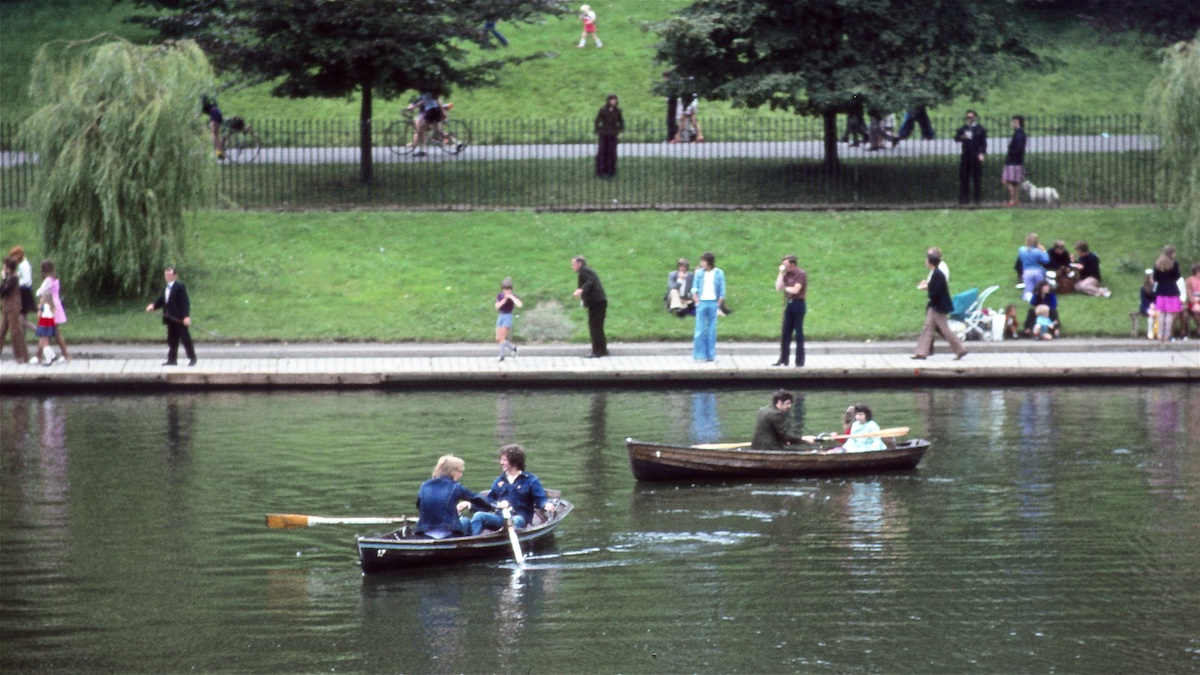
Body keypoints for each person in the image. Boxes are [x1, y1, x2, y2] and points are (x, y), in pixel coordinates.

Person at [469, 444, 556, 535]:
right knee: (479, 516)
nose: (501, 463)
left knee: (516, 520)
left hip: (520, 518)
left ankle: (511, 541)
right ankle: (473, 543)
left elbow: (540, 499)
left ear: (515, 461)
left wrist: (546, 505)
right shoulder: (499, 481)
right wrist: (472, 505)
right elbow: (489, 501)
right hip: (500, 518)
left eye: (504, 460)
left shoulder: (531, 480)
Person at [414, 455, 496, 539]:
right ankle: (473, 544)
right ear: (451, 471)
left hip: (424, 532)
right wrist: (493, 507)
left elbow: (419, 505)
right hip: (449, 533)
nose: (461, 475)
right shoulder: (455, 487)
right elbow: (476, 499)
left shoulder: (424, 486)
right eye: (459, 471)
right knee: (466, 521)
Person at [913, 250, 967, 360]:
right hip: (935, 305)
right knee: (928, 328)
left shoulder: (938, 274)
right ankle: (921, 352)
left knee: (945, 329)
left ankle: (960, 349)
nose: (925, 261)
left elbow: (936, 292)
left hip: (937, 307)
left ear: (931, 262)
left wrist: (928, 288)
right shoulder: (936, 273)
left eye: (927, 260)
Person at [145, 265, 197, 366]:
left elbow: (184, 302)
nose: (167, 277)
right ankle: (172, 360)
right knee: (172, 339)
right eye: (166, 275)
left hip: (179, 319)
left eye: (169, 275)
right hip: (170, 318)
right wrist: (153, 306)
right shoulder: (165, 288)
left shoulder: (180, 287)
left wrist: (186, 316)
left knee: (185, 339)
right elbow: (161, 301)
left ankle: (192, 358)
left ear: (175, 275)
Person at [772, 254, 807, 367]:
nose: (784, 266)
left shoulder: (800, 274)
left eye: (785, 264)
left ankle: (799, 361)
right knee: (785, 332)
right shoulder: (787, 274)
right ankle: (783, 359)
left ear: (792, 264)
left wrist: (786, 288)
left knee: (798, 333)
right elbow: (778, 287)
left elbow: (796, 290)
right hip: (790, 304)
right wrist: (780, 273)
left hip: (798, 304)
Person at [691, 251, 725, 362]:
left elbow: (722, 290)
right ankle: (700, 355)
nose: (701, 263)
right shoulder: (699, 273)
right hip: (702, 302)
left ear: (708, 262)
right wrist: (697, 300)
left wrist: (718, 303)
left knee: (711, 330)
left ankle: (711, 355)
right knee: (700, 329)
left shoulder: (719, 273)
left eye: (703, 261)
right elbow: (694, 287)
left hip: (713, 302)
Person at [33, 260, 70, 363]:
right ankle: (64, 355)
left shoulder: (47, 280)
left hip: (49, 306)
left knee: (46, 333)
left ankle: (39, 356)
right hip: (56, 305)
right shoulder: (55, 279)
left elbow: (39, 292)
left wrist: (39, 293)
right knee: (54, 333)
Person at [572, 256, 608, 357]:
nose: (572, 267)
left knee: (594, 327)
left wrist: (581, 290)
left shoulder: (584, 271)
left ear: (579, 264)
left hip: (597, 303)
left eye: (573, 264)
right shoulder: (586, 271)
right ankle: (602, 349)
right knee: (597, 327)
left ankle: (597, 351)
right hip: (598, 302)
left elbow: (590, 282)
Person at [0, 256, 30, 365]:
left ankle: (22, 356)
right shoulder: (9, 278)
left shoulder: (13, 278)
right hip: (6, 308)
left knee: (15, 332)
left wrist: (3, 278)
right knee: (2, 331)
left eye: (4, 266)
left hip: (13, 308)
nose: (3, 268)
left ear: (8, 268)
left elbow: (5, 291)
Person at [953, 109, 987, 205]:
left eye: (971, 117)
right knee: (964, 177)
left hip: (976, 155)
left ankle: (977, 199)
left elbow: (983, 143)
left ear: (975, 118)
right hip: (966, 155)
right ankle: (964, 198)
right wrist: (962, 137)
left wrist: (981, 153)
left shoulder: (980, 129)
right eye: (968, 117)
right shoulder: (963, 128)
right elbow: (956, 138)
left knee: (977, 178)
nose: (969, 119)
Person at [1151, 245, 1183, 342]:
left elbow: (1155, 278)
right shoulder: (1174, 264)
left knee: (1161, 314)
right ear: (1171, 253)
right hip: (1172, 291)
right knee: (1169, 314)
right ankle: (1167, 334)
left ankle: (1160, 334)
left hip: (1161, 291)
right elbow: (1177, 276)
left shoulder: (1158, 264)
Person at [8, 246, 36, 334]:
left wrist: (16, 283)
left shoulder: (24, 265)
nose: (13, 258)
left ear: (19, 255)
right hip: (22, 292)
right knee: (22, 319)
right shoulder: (21, 265)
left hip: (25, 292)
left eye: (14, 256)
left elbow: (27, 280)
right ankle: (22, 343)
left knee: (21, 320)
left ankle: (40, 332)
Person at [594, 93, 623, 177]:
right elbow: (597, 121)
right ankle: (601, 170)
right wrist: (598, 130)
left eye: (615, 100)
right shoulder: (603, 110)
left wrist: (618, 130)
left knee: (612, 152)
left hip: (613, 134)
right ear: (608, 101)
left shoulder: (617, 111)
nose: (613, 102)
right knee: (602, 152)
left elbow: (621, 122)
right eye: (612, 100)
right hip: (604, 134)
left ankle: (611, 171)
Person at [495, 276, 523, 361]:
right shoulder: (500, 296)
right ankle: (513, 347)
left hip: (508, 316)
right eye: (505, 289)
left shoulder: (513, 296)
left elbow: (519, 305)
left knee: (502, 337)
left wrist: (511, 297)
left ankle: (501, 355)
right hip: (501, 316)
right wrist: (504, 299)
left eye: (509, 289)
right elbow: (497, 306)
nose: (507, 291)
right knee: (498, 338)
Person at [1016, 233, 1050, 300]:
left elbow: (1020, 259)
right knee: (1039, 287)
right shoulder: (1037, 251)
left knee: (1028, 288)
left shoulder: (1021, 250)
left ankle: (1028, 299)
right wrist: (1044, 251)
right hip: (1038, 271)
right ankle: (1040, 298)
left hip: (1026, 271)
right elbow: (1046, 260)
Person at [1002, 115, 1026, 207]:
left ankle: (1013, 200)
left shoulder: (1019, 134)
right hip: (1017, 161)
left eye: (1013, 122)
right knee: (1015, 182)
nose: (1012, 124)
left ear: (1017, 122)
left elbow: (1018, 148)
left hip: (1013, 161)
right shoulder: (1020, 133)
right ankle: (1015, 200)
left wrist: (1011, 154)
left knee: (1007, 180)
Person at [34, 290, 59, 366]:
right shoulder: (52, 306)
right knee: (45, 341)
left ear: (44, 299)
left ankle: (49, 360)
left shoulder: (42, 306)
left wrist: (39, 308)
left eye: (41, 298)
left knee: (44, 343)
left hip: (44, 325)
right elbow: (54, 314)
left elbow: (38, 315)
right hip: (50, 324)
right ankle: (53, 356)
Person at [1131, 269, 1157, 339]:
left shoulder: (1156, 287)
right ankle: (1150, 333)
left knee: (1158, 313)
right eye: (1150, 278)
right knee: (1151, 313)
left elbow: (1157, 298)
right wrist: (1150, 305)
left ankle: (1157, 332)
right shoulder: (1143, 288)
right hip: (1145, 307)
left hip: (1155, 306)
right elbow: (1144, 300)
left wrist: (1154, 305)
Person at [201, 95, 225, 160]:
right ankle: (220, 152)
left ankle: (220, 152)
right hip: (219, 114)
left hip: (214, 115)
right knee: (216, 135)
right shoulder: (212, 104)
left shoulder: (204, 106)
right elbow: (215, 102)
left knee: (213, 135)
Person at [663, 70, 679, 143]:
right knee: (670, 121)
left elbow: (672, 95)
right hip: (672, 104)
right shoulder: (673, 84)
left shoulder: (672, 85)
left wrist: (668, 98)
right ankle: (673, 136)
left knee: (670, 121)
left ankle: (671, 137)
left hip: (673, 105)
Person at [1185, 262, 1200, 339]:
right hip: (1193, 302)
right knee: (1195, 311)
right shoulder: (1189, 280)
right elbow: (1189, 293)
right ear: (1197, 271)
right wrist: (1194, 302)